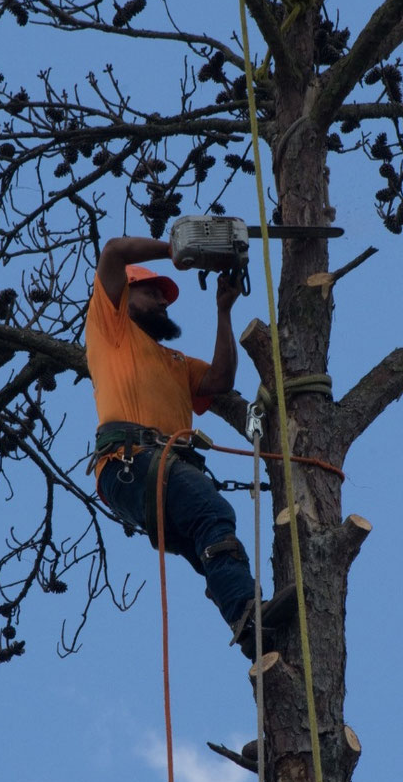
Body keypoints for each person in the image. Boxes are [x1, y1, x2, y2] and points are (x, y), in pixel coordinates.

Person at [84, 235, 295, 657]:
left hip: (159, 467)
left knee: (210, 543)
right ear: (123, 295)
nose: (164, 303)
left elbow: (220, 381)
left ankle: (253, 632)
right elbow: (113, 252)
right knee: (214, 512)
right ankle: (247, 610)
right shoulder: (112, 328)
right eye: (152, 293)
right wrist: (177, 248)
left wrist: (224, 310)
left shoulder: (174, 362)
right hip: (130, 460)